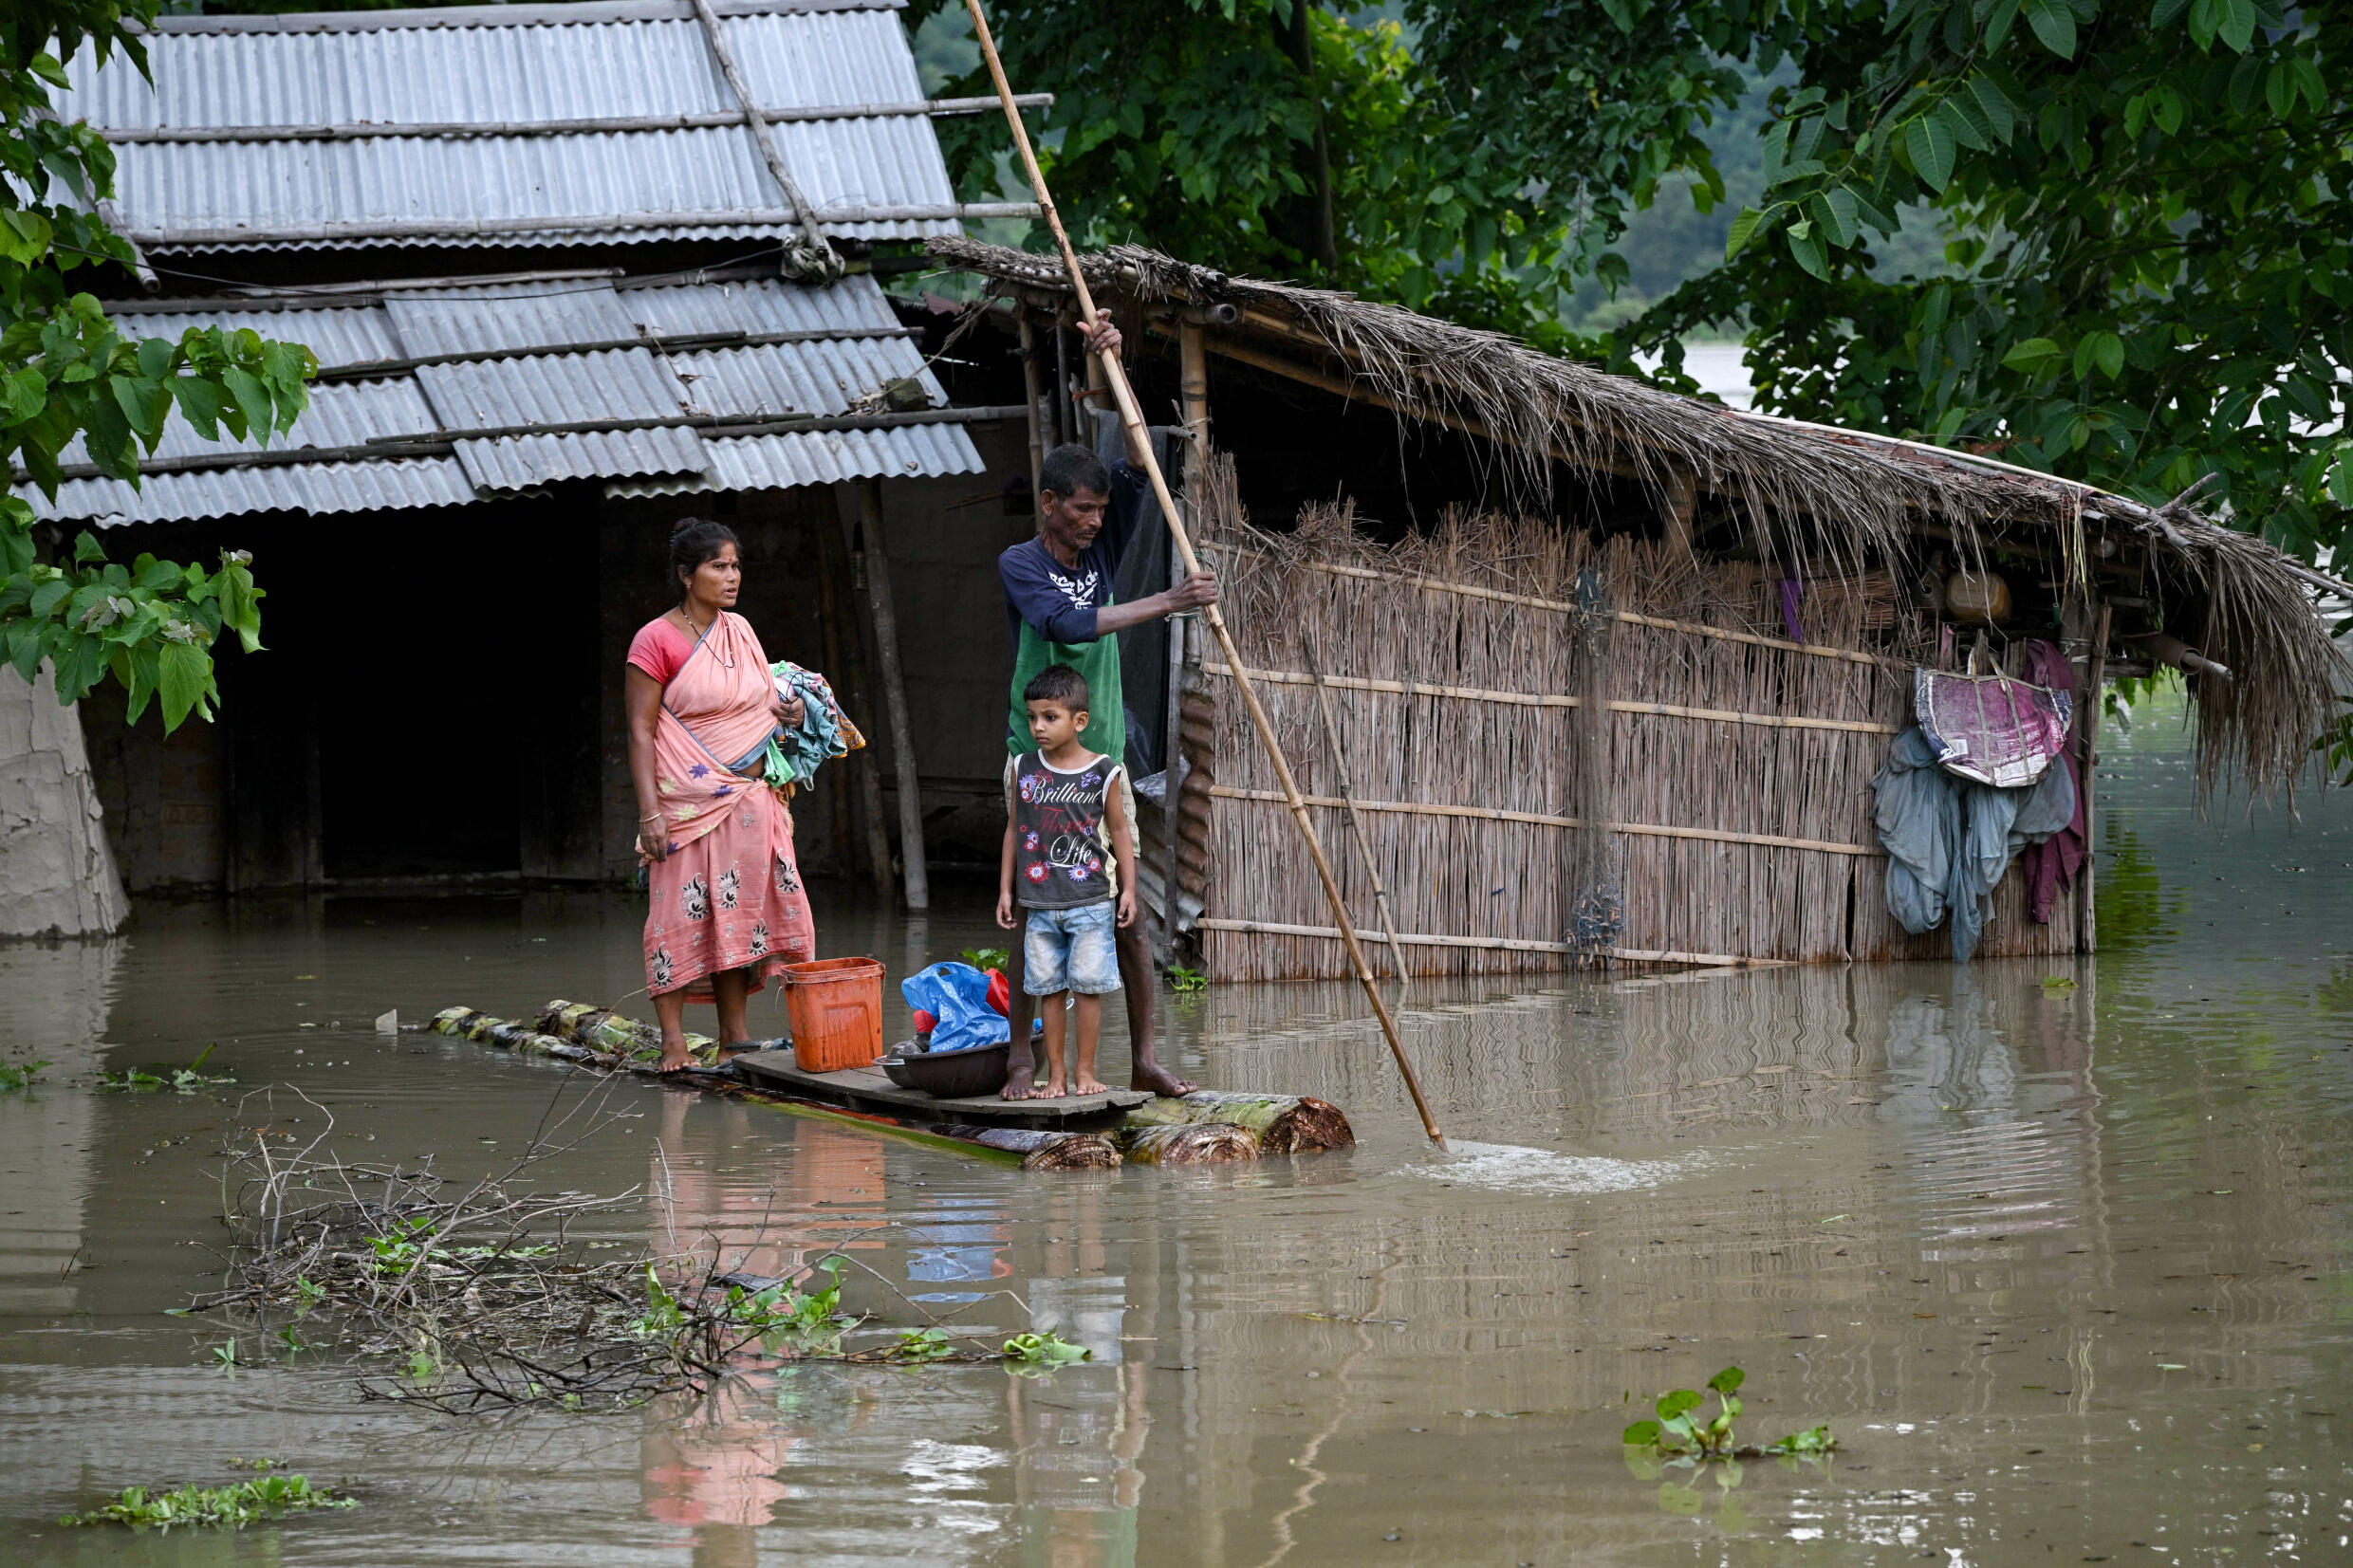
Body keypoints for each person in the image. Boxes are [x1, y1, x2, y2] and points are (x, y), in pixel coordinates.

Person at [996, 320, 1218, 1099]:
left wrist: (1109, 358)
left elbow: (1138, 459)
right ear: (1050, 504)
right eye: (1080, 510)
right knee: (1035, 904)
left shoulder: (1100, 546)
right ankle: (1025, 1059)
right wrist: (1167, 600)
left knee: (1126, 906)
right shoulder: (1021, 563)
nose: (1094, 521)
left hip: (1103, 757)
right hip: (1039, 755)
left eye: (1099, 511)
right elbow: (1065, 626)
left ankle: (1145, 1057)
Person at [625, 519, 816, 1072]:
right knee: (674, 919)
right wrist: (649, 813)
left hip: (749, 799)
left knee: (730, 916)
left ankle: (735, 1038)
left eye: (735, 566)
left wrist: (794, 711)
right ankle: (674, 1044)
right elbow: (640, 730)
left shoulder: (741, 629)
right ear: (687, 576)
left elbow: (762, 702)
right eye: (718, 566)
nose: (731, 576)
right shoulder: (654, 639)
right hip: (683, 806)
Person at [996, 664, 1136, 1098]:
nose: (1038, 727)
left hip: (1092, 899)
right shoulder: (1025, 768)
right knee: (1049, 990)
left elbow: (1119, 831)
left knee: (1088, 989)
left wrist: (1128, 889)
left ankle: (1085, 1073)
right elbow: (1013, 830)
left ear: (1080, 721)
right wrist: (1006, 889)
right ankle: (1055, 1077)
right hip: (1038, 903)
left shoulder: (1104, 771)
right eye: (1033, 717)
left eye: (1050, 717)